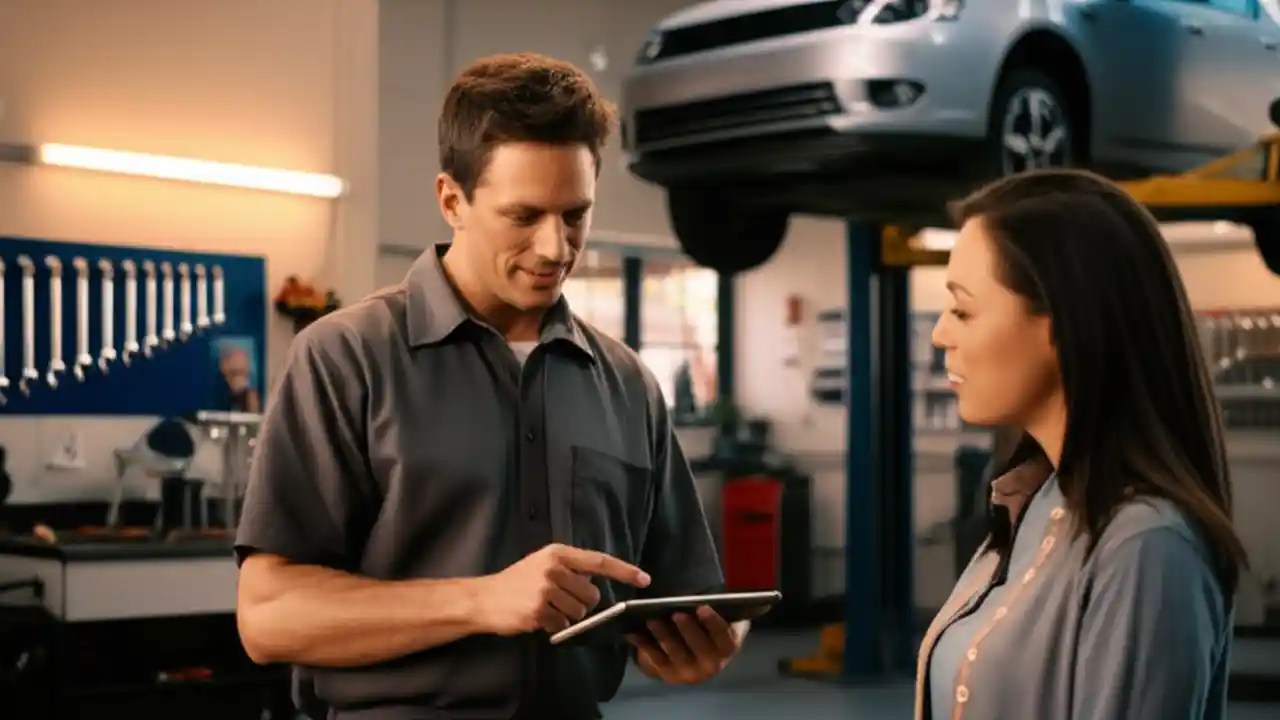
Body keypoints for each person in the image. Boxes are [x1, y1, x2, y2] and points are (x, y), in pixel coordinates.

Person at [233, 52, 743, 720]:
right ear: (453, 200)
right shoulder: (345, 358)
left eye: (575, 215)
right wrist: (480, 600)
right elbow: (268, 618)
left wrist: (705, 644)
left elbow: (682, 599)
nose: (556, 247)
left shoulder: (627, 384)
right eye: (524, 215)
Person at [918, 169, 1248, 720]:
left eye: (964, 310)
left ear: (1062, 323)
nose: (939, 334)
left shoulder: (1145, 548)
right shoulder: (1031, 506)